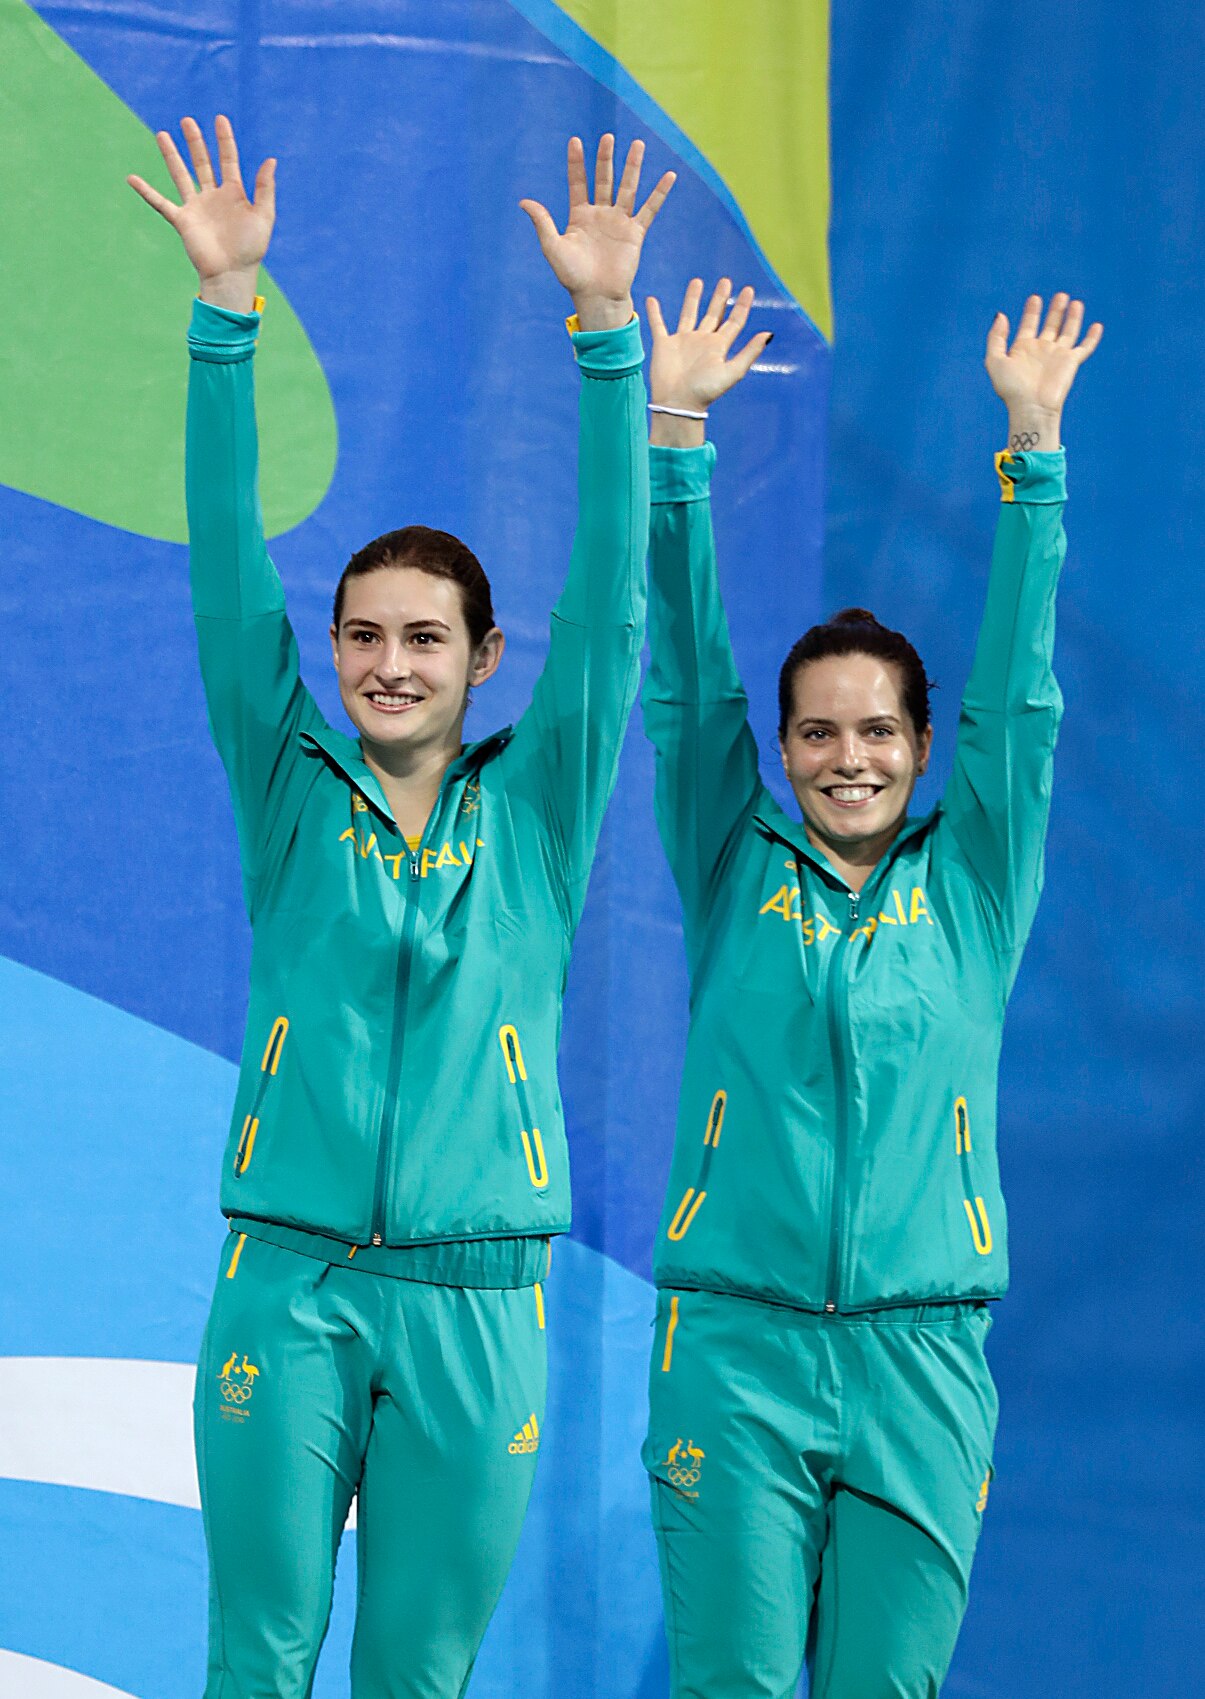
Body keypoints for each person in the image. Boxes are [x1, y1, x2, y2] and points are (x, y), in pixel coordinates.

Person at [127, 116, 673, 1698]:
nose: (386, 662)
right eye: (361, 633)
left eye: (424, 638)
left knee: (419, 1678)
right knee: (259, 1660)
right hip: (286, 1283)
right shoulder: (289, 780)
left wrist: (604, 340)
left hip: (476, 1298)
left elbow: (617, 597)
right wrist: (225, 311)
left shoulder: (545, 801)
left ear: (481, 659)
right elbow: (225, 567)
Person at [639, 280, 1101, 1698]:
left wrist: (1032, 452)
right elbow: (684, 677)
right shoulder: (731, 859)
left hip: (920, 1356)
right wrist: (675, 441)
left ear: (917, 744)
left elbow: (1016, 696)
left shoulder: (972, 882)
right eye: (818, 732)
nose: (850, 757)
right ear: (776, 748)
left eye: (881, 731)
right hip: (733, 1349)